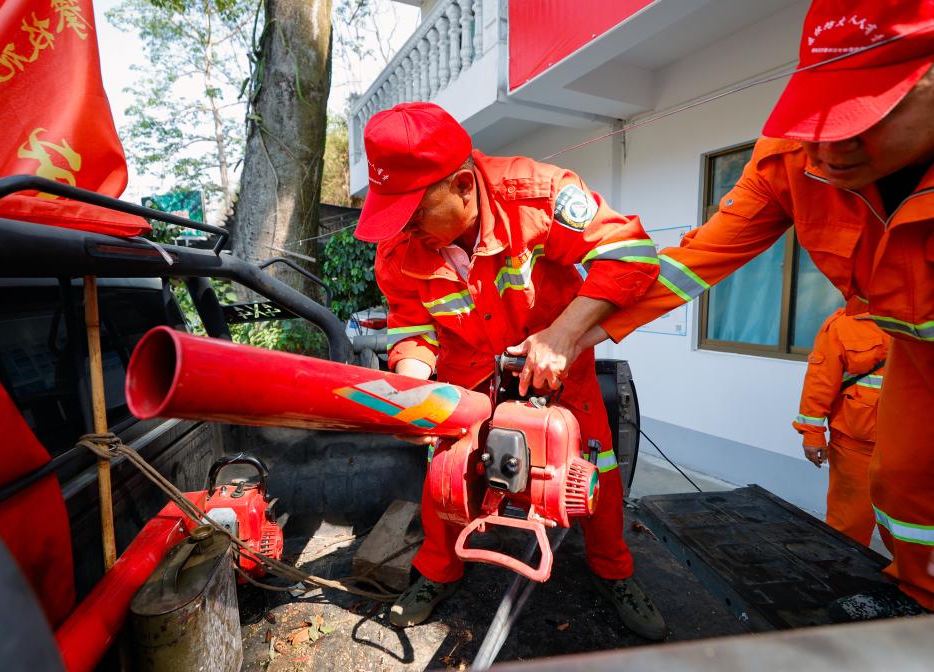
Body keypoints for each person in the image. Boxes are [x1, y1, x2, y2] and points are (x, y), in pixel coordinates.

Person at [581, 0, 934, 619]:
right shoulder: (791, 159)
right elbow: (691, 262)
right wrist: (574, 329)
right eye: (824, 112)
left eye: (866, 115)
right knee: (903, 483)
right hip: (915, 358)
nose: (832, 145)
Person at [353, 101, 666, 639]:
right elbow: (411, 327)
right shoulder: (399, 250)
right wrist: (412, 380)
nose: (404, 229)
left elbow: (633, 254)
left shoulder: (540, 196)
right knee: (445, 476)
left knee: (598, 472)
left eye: (413, 211)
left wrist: (563, 335)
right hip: (464, 372)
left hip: (558, 371)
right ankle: (436, 572)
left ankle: (614, 572)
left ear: (462, 187)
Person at [794, 307, 889, 547]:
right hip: (857, 445)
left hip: (917, 445)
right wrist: (813, 435)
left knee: (912, 529)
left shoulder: (923, 317)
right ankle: (844, 579)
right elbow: (820, 383)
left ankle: (909, 582)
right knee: (849, 525)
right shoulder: (843, 325)